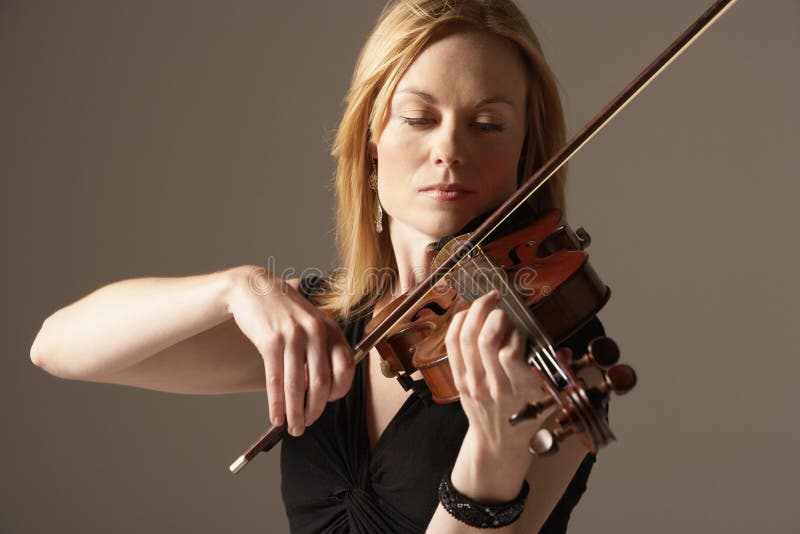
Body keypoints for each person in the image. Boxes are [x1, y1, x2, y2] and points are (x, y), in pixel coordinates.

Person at [30, 1, 609, 532]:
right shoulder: (321, 323)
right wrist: (236, 287)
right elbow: (57, 348)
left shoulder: (555, 352)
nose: (449, 149)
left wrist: (494, 454)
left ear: (525, 152)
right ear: (372, 138)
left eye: (488, 125)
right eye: (417, 117)